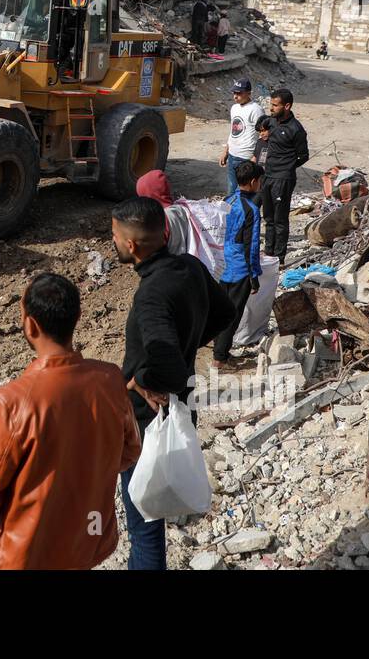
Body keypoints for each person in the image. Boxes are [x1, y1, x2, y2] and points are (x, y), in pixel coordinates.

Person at [0, 273, 140, 570]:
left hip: (25, 553)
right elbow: (129, 451)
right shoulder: (109, 380)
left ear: (30, 325)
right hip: (85, 541)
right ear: (78, 317)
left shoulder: (12, 401)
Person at [110, 197, 237, 570]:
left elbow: (167, 363)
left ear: (132, 245)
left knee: (145, 527)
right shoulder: (190, 267)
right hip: (179, 411)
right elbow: (226, 312)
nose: (113, 241)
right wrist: (188, 343)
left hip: (146, 425)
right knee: (153, 516)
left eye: (114, 236)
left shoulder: (150, 295)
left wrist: (139, 380)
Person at [213, 162, 264, 367]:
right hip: (239, 268)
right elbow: (251, 245)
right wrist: (254, 276)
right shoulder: (251, 209)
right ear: (253, 182)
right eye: (259, 181)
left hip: (221, 265)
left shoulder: (227, 200)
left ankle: (219, 350)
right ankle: (219, 359)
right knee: (232, 315)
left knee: (219, 310)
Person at [261, 88, 309, 264]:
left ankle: (279, 257)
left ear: (287, 106)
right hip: (267, 176)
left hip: (283, 179)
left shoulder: (296, 129)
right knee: (268, 217)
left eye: (275, 105)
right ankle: (268, 252)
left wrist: (287, 167)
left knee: (280, 219)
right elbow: (262, 127)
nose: (271, 108)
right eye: (271, 104)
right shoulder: (272, 121)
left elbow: (303, 156)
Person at [218, 78, 264, 197]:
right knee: (231, 189)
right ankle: (232, 213)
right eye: (234, 93)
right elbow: (233, 131)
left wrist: (255, 157)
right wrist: (226, 151)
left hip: (246, 157)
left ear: (248, 93)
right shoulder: (234, 108)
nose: (235, 96)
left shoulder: (256, 110)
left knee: (246, 191)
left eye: (239, 93)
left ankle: (247, 214)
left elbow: (263, 136)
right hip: (233, 155)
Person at [135, 169, 189, 256]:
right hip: (186, 260)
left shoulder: (160, 219)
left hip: (171, 263)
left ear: (149, 196)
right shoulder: (180, 209)